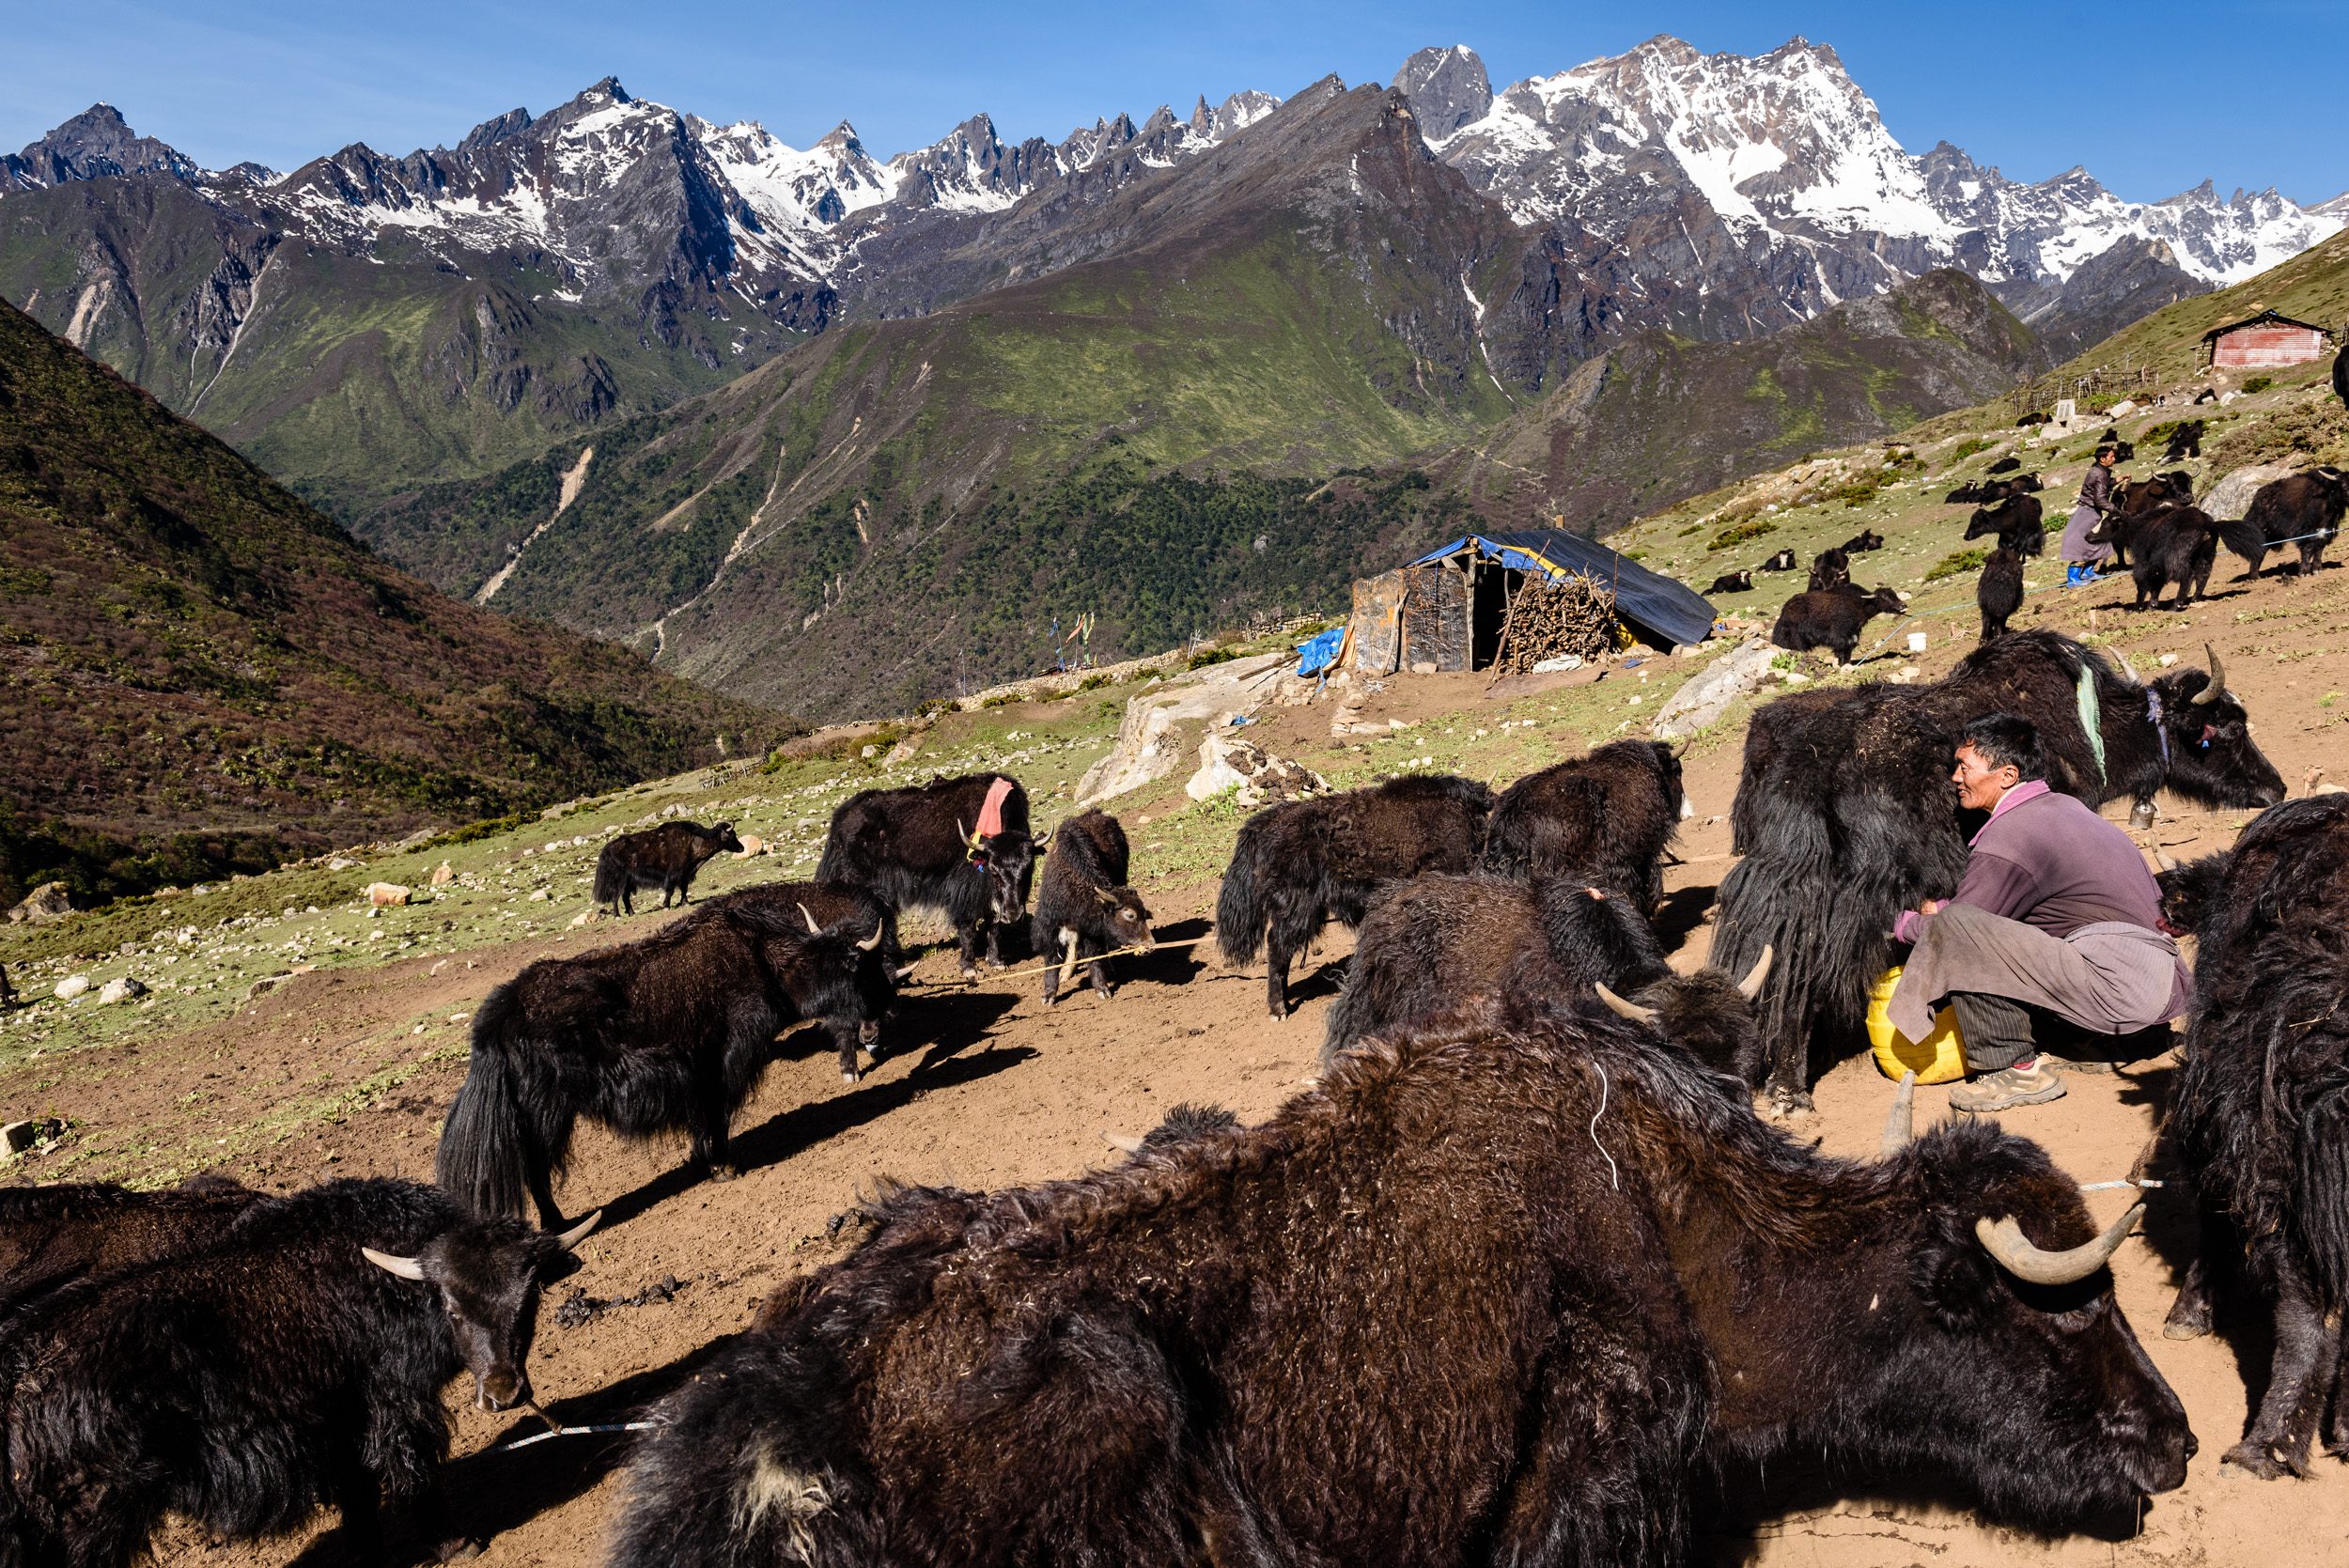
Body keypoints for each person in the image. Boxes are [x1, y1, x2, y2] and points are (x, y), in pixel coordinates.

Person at [1888, 712, 2189, 1113]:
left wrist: (1903, 924)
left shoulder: (2012, 834)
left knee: (1958, 930)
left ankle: (2015, 1068)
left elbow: (1961, 925)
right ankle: (2119, 1041)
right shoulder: (2064, 807)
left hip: (2122, 991)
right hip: (2157, 985)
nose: (1956, 778)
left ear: (2008, 775)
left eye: (1965, 767)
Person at [2061, 444, 2120, 587]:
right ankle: (2073, 578)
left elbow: (2102, 486)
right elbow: (2099, 499)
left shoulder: (2098, 471)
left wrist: (2117, 480)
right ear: (2102, 459)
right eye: (2111, 457)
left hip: (2090, 512)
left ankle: (2088, 571)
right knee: (2085, 545)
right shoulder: (2099, 474)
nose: (2114, 459)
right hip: (2088, 514)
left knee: (2102, 542)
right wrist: (2116, 510)